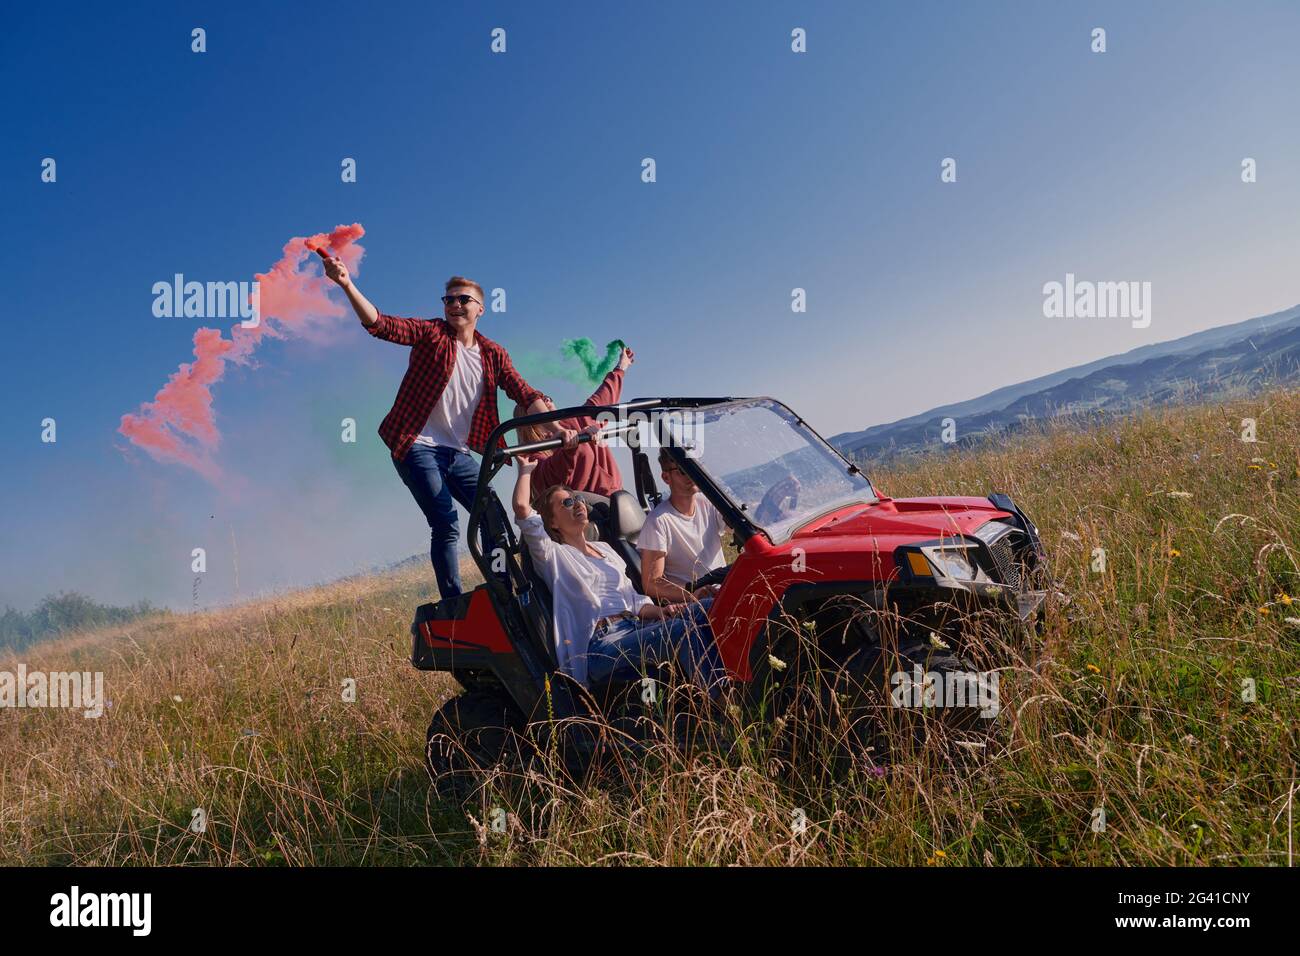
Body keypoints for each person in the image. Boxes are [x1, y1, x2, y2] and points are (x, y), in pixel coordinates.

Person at [322, 255, 576, 599]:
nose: (454, 305)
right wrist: (346, 283)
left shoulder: (492, 354)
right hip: (416, 445)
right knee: (445, 522)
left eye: (463, 299)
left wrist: (558, 428)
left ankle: (504, 593)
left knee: (494, 519)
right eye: (449, 299)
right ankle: (453, 604)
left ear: (481, 309)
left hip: (458, 452)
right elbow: (381, 325)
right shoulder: (432, 335)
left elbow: (523, 390)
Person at [511, 453, 721, 691]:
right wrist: (525, 470)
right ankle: (723, 702)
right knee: (682, 631)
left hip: (637, 627)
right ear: (553, 524)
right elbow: (522, 509)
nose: (578, 504)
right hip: (603, 645)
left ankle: (741, 684)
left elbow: (635, 602)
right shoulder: (552, 557)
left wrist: (665, 610)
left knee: (710, 607)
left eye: (577, 498)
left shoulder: (605, 549)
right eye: (566, 503)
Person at [512, 346, 634, 497]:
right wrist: (575, 442)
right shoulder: (532, 455)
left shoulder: (576, 419)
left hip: (617, 495)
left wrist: (621, 367)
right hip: (582, 509)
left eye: (546, 396)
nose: (547, 399)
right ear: (529, 415)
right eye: (540, 400)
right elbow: (552, 478)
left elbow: (602, 399)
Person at [637, 447, 728, 605]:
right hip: (699, 603)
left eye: (694, 467)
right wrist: (693, 594)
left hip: (726, 589)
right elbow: (652, 583)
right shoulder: (658, 521)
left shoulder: (709, 503)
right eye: (682, 470)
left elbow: (738, 529)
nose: (691, 475)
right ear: (666, 477)